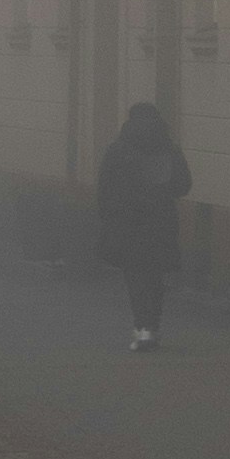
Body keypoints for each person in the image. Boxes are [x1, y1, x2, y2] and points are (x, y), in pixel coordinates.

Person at [91, 93, 194, 354]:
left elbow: (104, 188)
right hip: (160, 221)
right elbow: (184, 184)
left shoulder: (119, 149)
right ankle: (152, 327)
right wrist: (162, 192)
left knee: (135, 277)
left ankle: (143, 328)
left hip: (129, 222)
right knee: (155, 277)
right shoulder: (169, 149)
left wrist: (108, 217)